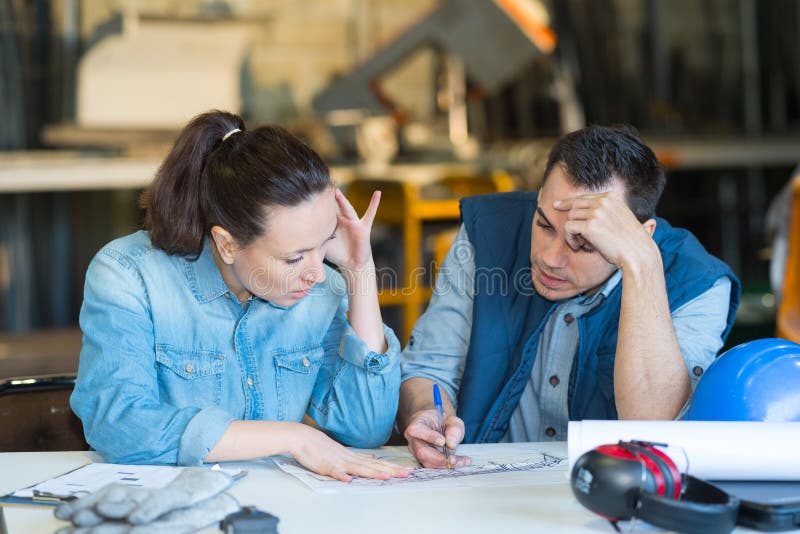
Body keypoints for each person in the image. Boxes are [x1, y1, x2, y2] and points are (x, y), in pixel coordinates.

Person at [72, 110, 412, 482]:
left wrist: (360, 270)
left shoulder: (318, 287)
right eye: (294, 258)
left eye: (325, 242)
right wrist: (292, 437)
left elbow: (367, 429)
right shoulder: (128, 275)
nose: (316, 272)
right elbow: (120, 425)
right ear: (227, 244)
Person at [398, 125, 741, 468]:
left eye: (584, 243)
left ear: (641, 236)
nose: (550, 258)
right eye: (544, 225)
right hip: (485, 483)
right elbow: (428, 369)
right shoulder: (488, 232)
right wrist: (425, 412)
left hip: (613, 488)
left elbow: (655, 431)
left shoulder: (699, 283)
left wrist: (642, 264)